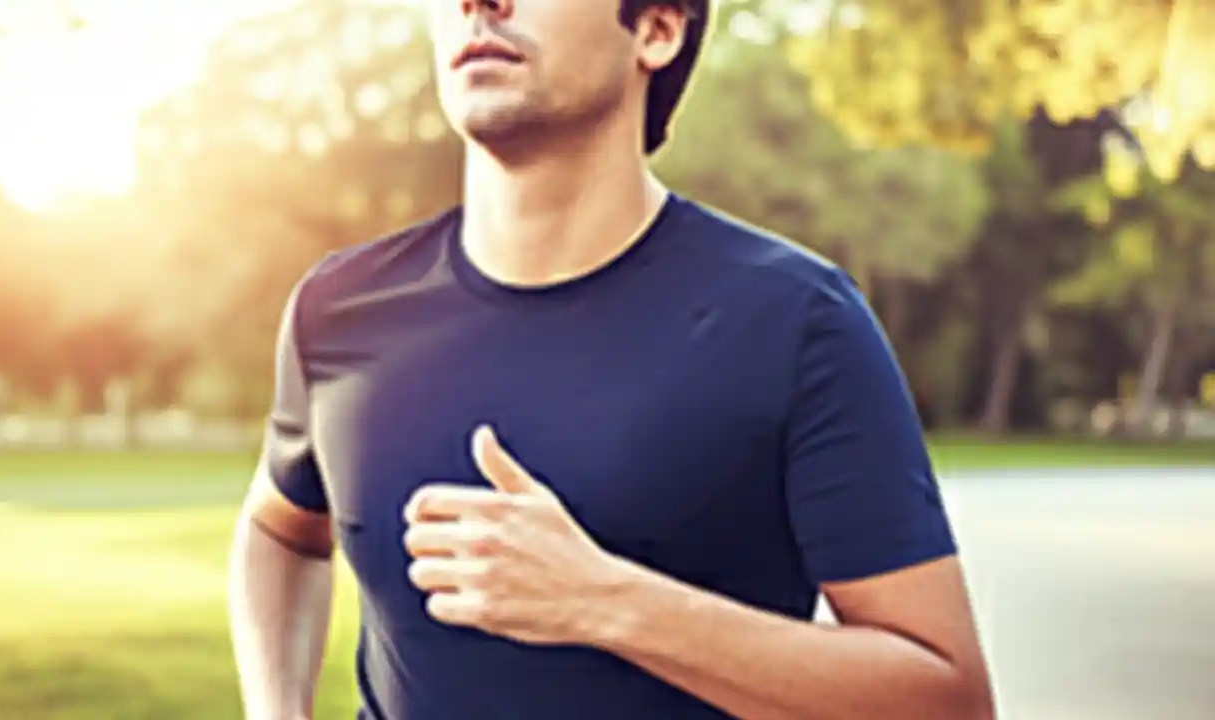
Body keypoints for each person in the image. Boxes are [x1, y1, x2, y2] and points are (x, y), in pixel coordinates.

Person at [227, 0, 997, 718]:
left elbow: (947, 696)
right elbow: (280, 529)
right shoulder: (338, 308)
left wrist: (607, 602)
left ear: (657, 30)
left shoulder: (796, 323)